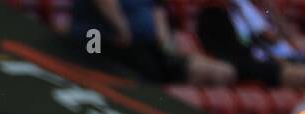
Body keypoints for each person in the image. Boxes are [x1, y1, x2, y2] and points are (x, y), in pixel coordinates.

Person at [71, 0, 235, 85]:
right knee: (149, 70)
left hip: (148, 48)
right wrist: (122, 28)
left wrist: (167, 48)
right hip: (105, 43)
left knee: (222, 71)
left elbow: (158, 14)